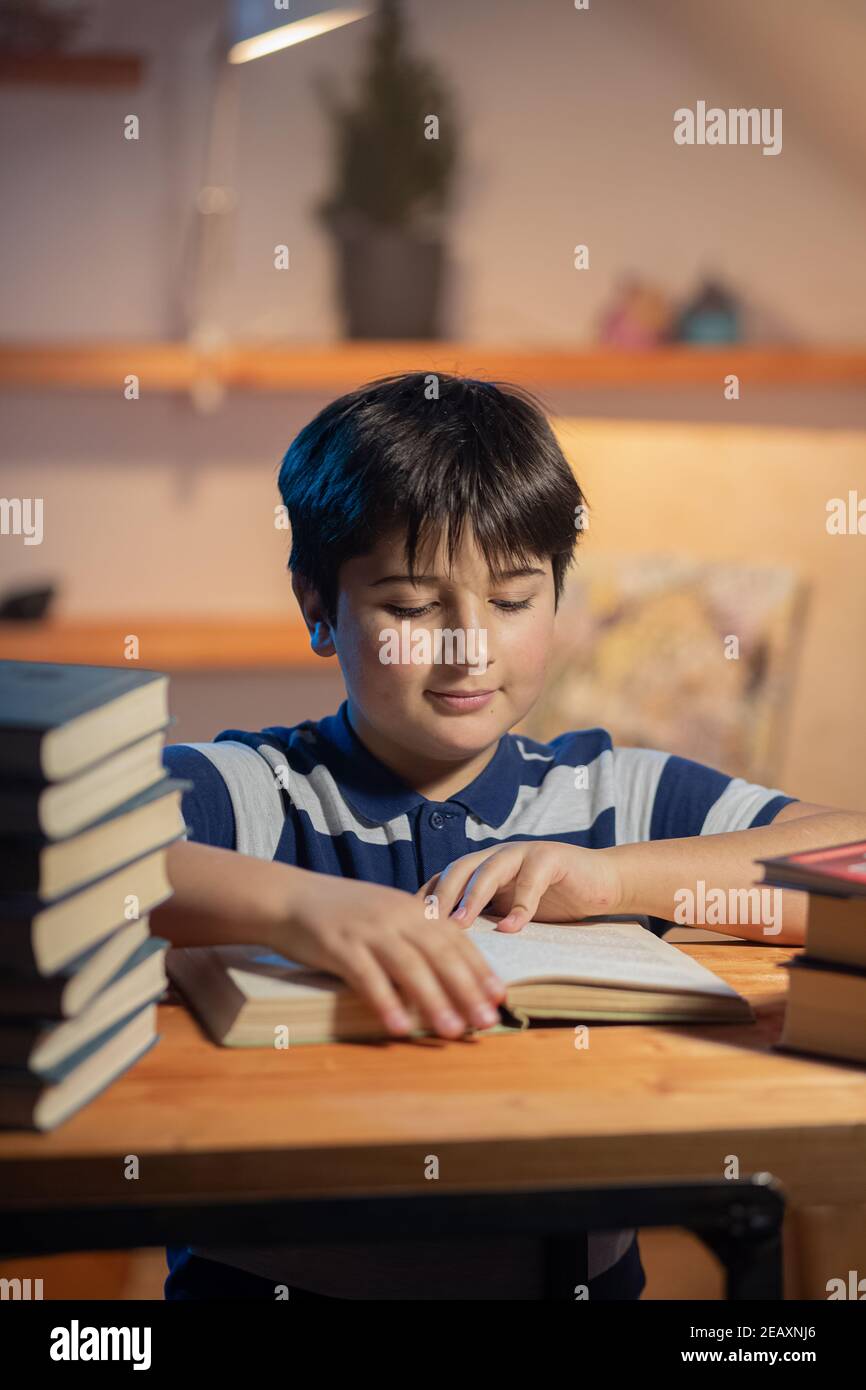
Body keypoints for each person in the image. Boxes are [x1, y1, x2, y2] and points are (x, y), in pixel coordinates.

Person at [155, 372, 865, 1300]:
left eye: (514, 599)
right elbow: (49, 851)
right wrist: (301, 906)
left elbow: (851, 857)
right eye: (411, 607)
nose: (468, 647)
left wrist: (613, 880)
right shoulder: (261, 792)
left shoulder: (612, 793)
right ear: (318, 606)